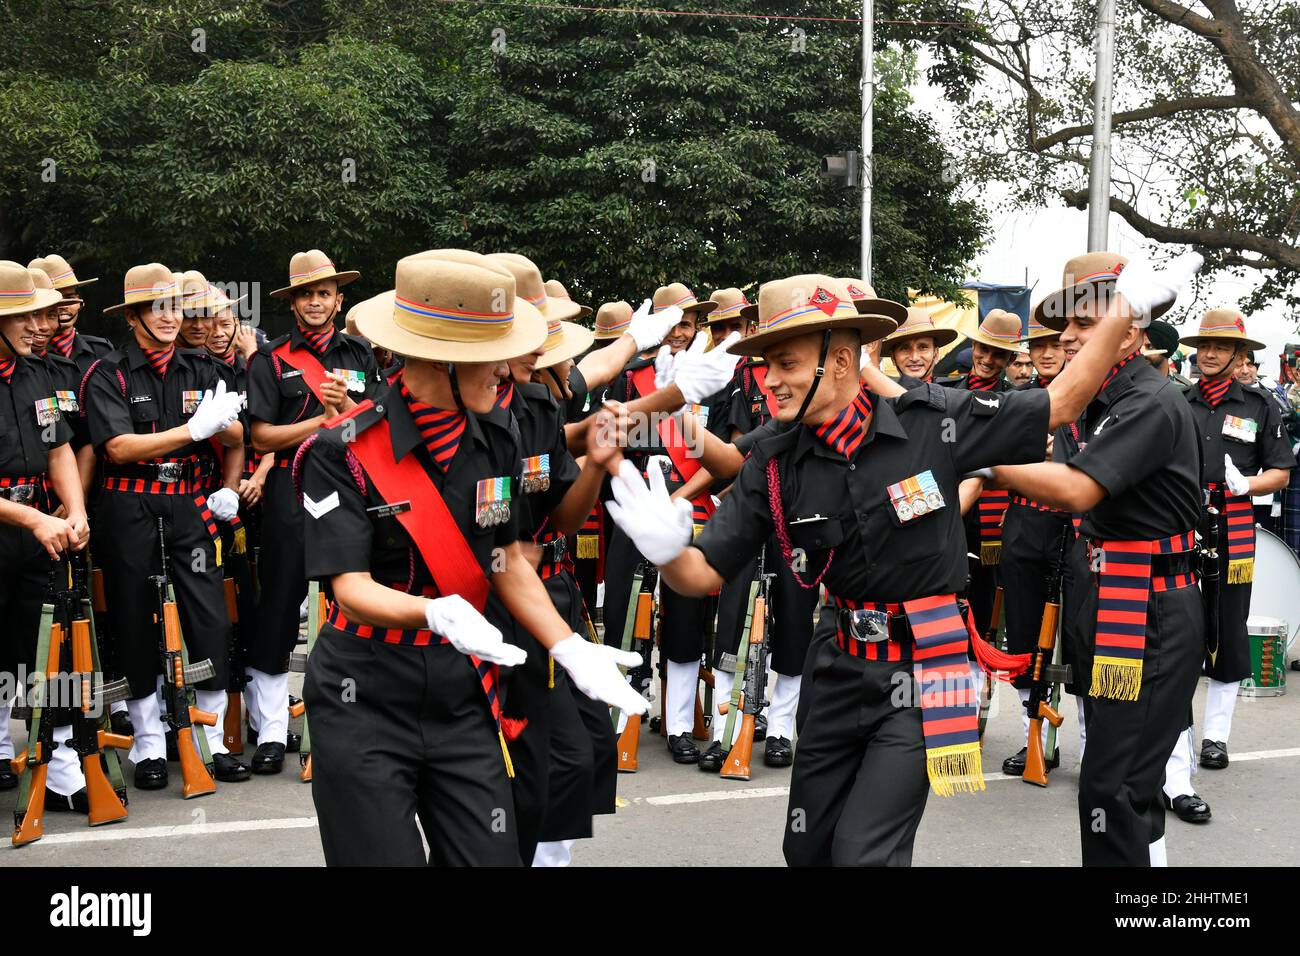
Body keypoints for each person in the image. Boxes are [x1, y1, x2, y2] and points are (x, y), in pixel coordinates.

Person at [607, 263, 1162, 866]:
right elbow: (703, 575)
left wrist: (1123, 310)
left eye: (787, 364)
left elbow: (1061, 402)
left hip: (928, 668)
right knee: (807, 848)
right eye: (766, 367)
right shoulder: (775, 457)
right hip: (838, 669)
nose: (771, 382)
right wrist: (666, 553)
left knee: (864, 855)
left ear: (840, 363)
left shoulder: (935, 422)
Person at [297, 251, 646, 865]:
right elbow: (348, 586)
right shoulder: (342, 449)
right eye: (494, 355)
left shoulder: (499, 436)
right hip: (367, 695)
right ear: (441, 359)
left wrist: (567, 646)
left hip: (464, 694)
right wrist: (431, 614)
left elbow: (508, 557)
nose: (509, 372)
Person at [989, 250, 1204, 866]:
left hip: (1150, 608)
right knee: (1118, 782)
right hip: (1104, 593)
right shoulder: (1087, 399)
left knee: (1115, 786)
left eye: (1088, 323)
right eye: (1068, 329)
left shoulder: (1149, 400)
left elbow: (1078, 489)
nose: (1072, 339)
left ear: (1130, 326)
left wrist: (980, 460)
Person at [82, 262, 248, 789]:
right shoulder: (108, 373)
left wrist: (229, 482)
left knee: (209, 619)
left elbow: (238, 435)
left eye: (176, 306)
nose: (172, 317)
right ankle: (150, 746)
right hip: (130, 507)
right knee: (133, 618)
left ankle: (211, 739)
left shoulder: (201, 369)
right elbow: (118, 447)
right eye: (158, 307)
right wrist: (191, 430)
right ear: (134, 315)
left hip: (191, 504)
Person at [247, 250, 381, 774]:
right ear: (293, 302)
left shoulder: (362, 354)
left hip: (351, 485)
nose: (315, 301)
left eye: (324, 292)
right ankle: (273, 732)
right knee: (279, 602)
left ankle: (343, 724)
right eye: (306, 293)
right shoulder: (271, 358)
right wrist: (319, 422)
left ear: (339, 298)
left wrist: (345, 416)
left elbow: (376, 421)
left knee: (350, 601)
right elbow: (260, 435)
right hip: (290, 484)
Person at [1160, 310, 1293, 825]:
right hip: (1180, 518)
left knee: (1227, 627)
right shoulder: (1176, 399)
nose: (1210, 354)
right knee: (1179, 626)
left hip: (1234, 522)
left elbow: (1280, 472)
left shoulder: (1259, 405)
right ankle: (1178, 739)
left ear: (1240, 355)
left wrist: (1248, 485)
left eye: (1222, 347)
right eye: (1204, 345)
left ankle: (1215, 736)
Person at [0, 261, 91, 804]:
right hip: (20, 523)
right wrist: (35, 518)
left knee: (44, 650)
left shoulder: (41, 373)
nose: (41, 324)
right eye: (25, 316)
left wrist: (75, 509)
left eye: (43, 313)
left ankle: (58, 768)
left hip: (39, 529)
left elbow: (59, 449)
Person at [939, 308, 1022, 638]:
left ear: (1010, 357)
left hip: (994, 520)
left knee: (984, 606)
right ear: (972, 346)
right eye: (983, 349)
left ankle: (975, 677)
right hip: (950, 511)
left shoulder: (1017, 401)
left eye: (998, 354)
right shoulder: (947, 394)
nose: (987, 359)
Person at [27, 255, 113, 373]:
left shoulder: (101, 350)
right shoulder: (23, 355)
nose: (63, 306)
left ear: (80, 302)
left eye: (69, 298)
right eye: (54, 300)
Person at [880, 307, 958, 388]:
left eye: (923, 347)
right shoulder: (878, 398)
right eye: (905, 348)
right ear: (893, 357)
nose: (914, 358)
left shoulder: (957, 398)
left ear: (936, 354)